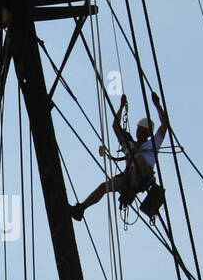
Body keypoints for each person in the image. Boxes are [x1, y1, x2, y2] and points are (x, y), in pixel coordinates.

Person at [70, 92, 168, 221]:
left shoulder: (153, 144)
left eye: (144, 131)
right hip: (128, 176)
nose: (140, 133)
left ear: (149, 134)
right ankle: (81, 208)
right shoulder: (129, 144)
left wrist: (157, 104)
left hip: (144, 175)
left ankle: (131, 191)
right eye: (139, 130)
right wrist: (121, 107)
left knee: (139, 158)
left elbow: (165, 124)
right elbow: (115, 126)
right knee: (104, 186)